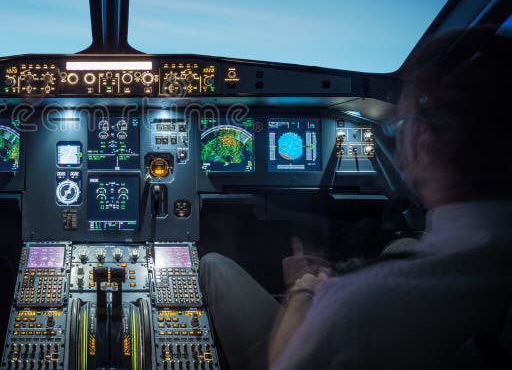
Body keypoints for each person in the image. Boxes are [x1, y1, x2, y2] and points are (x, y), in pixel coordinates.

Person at [200, 29, 512, 369]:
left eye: (399, 125)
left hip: (312, 330)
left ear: (422, 140)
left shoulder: (355, 304)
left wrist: (302, 291)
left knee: (214, 263)